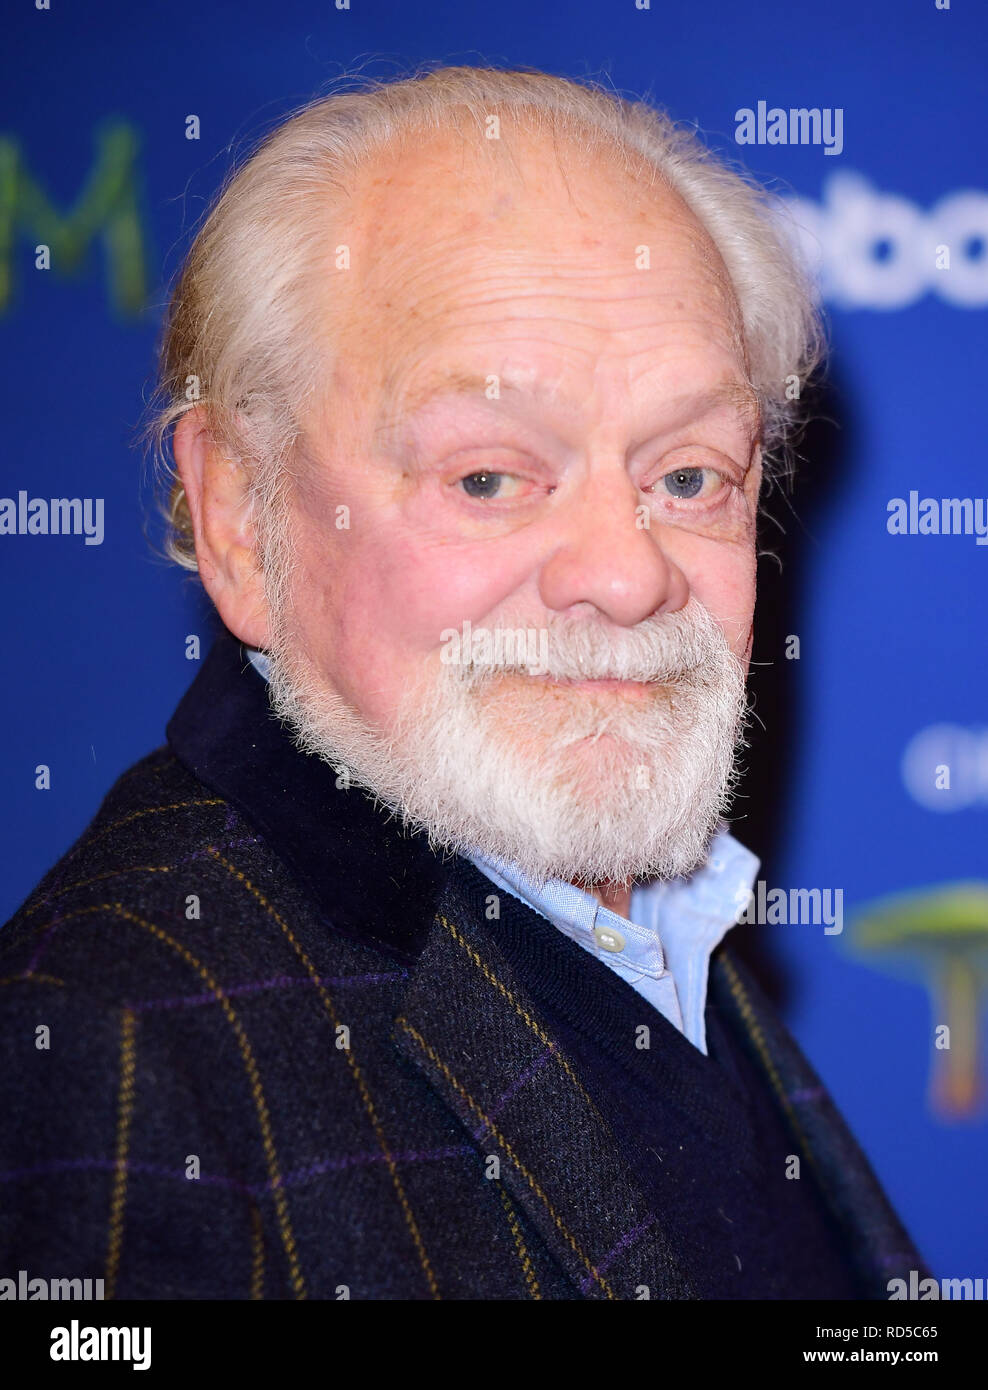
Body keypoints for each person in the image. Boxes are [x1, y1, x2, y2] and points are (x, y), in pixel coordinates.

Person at [0, 65, 927, 1300]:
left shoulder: (640, 928)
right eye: (489, 478)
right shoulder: (114, 1049)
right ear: (235, 512)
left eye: (690, 476)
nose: (627, 575)